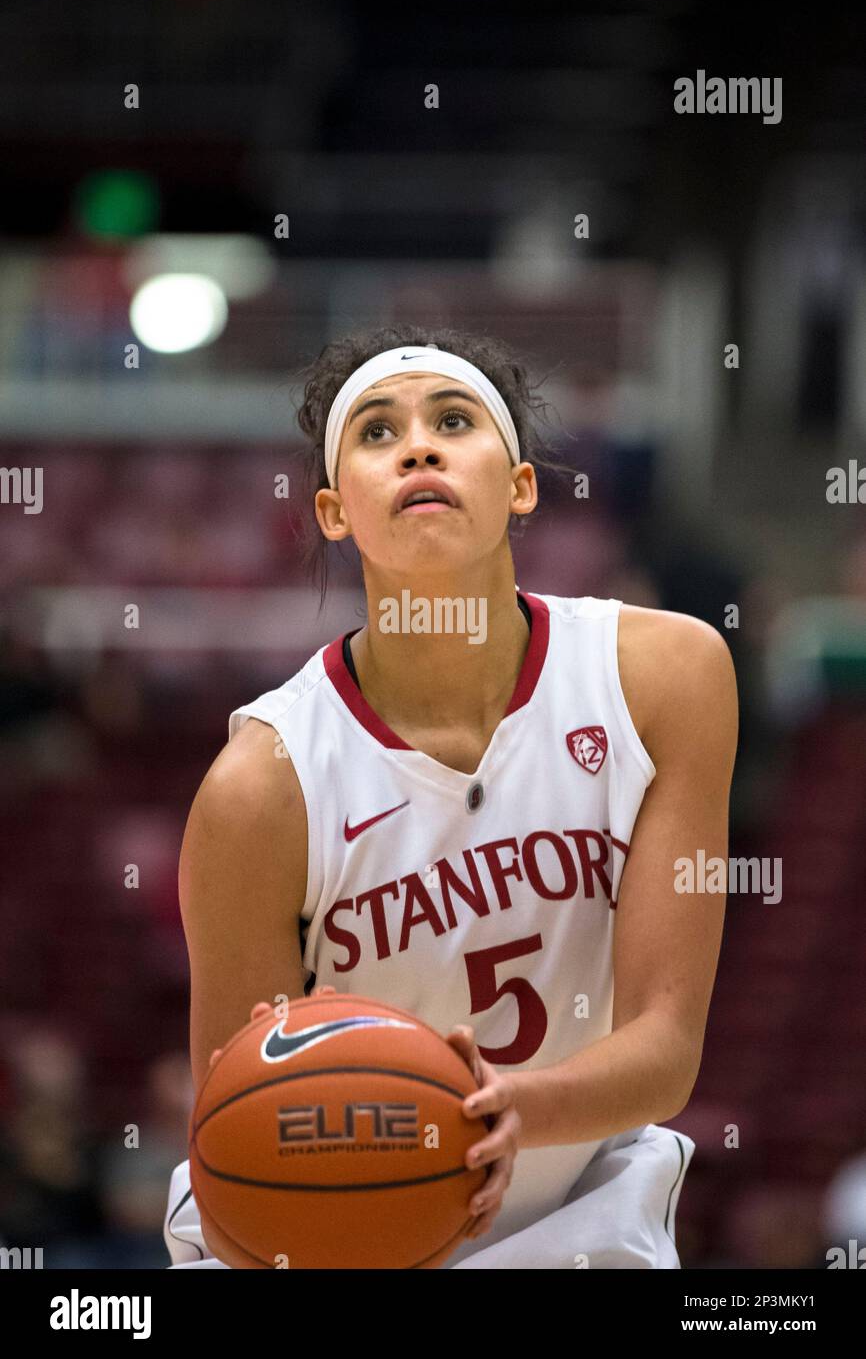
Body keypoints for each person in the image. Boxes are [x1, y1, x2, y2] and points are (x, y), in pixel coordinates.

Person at [163, 326, 737, 1269]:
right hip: (330, 1235)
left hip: (572, 1223)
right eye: (379, 432)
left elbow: (666, 1049)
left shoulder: (665, 678)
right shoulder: (261, 785)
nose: (419, 446)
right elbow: (237, 1114)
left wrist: (509, 1111)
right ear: (336, 509)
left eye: (454, 420)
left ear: (520, 486)